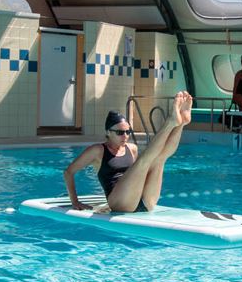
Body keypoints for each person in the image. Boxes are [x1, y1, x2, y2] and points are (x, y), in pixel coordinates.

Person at [64, 91, 193, 213]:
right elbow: (68, 172)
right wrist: (75, 201)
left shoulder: (132, 148)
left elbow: (137, 176)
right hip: (119, 202)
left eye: (128, 132)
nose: (125, 136)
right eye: (120, 133)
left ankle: (182, 123)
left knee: (160, 159)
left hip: (143, 202)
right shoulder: (98, 150)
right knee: (144, 161)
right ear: (108, 132)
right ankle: (170, 122)